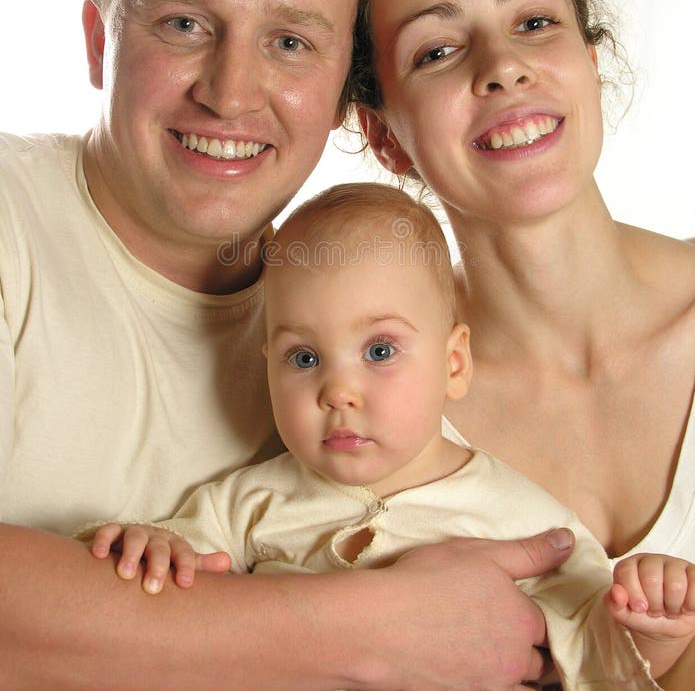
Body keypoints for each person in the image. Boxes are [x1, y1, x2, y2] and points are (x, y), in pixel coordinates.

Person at [0, 0, 574, 690]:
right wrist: (360, 629)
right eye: (184, 25)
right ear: (97, 40)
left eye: (291, 42)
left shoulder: (347, 319)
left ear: (346, 85)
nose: (230, 93)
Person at [85, 182, 692, 686]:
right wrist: (154, 545)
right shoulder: (245, 504)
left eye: (379, 350)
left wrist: (648, 623)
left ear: (453, 364)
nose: (338, 390)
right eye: (302, 358)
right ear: (266, 364)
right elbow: (171, 581)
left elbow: (597, 657)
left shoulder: (526, 523)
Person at [352, 0, 695, 688]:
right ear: (386, 138)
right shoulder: (366, 399)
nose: (502, 67)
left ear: (589, 61)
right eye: (436, 50)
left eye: (533, 22)